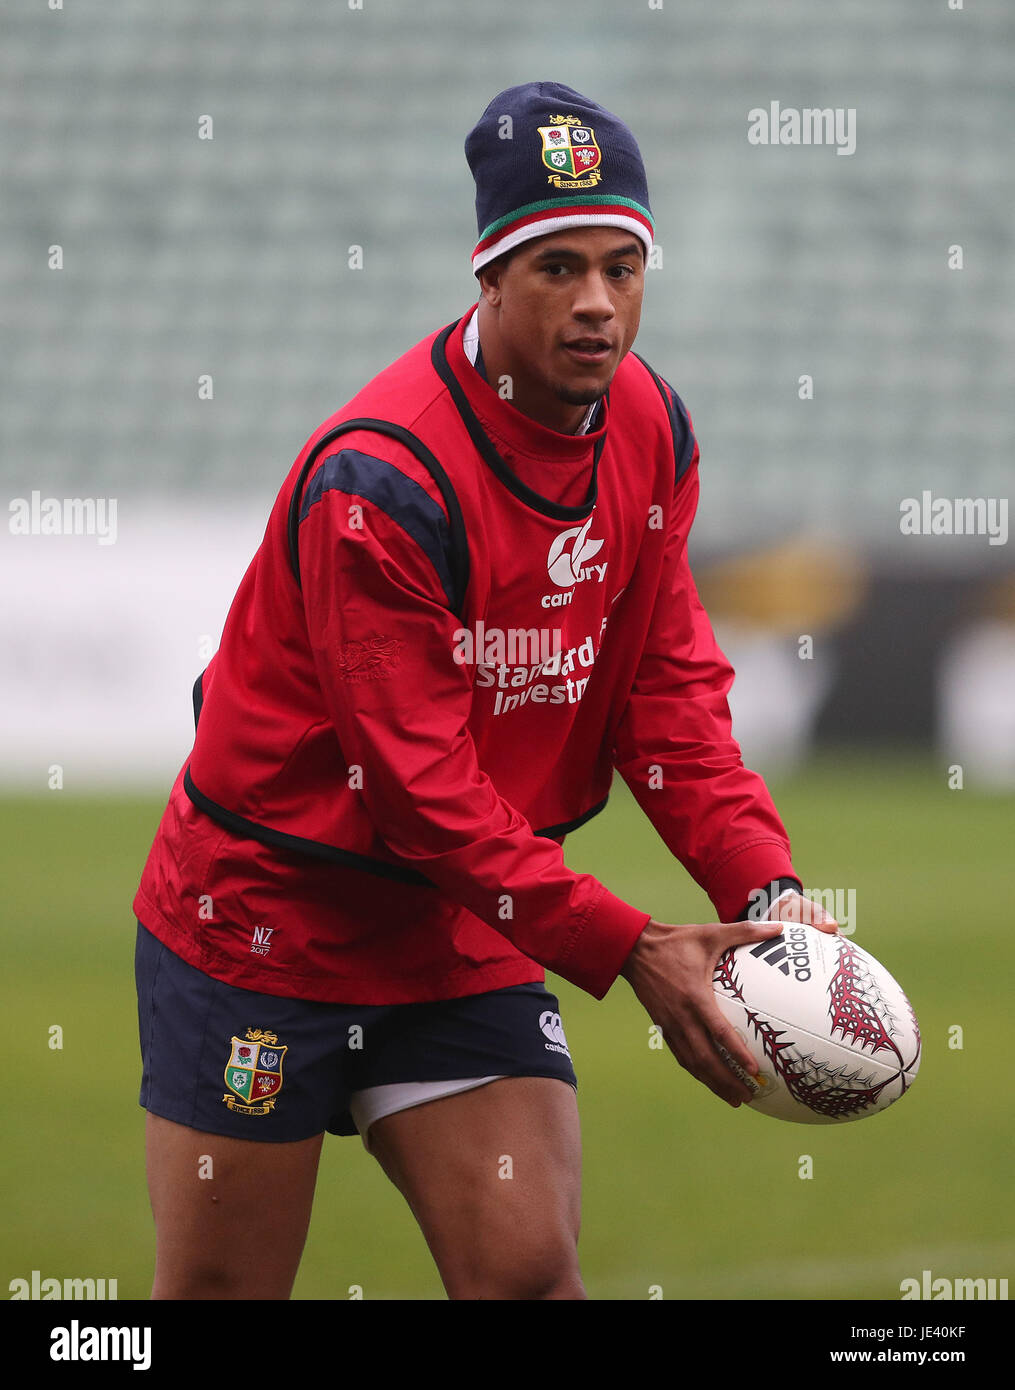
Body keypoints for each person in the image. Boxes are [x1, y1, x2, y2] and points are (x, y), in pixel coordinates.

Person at [133, 80, 837, 1302]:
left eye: (623, 266)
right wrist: (633, 947)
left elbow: (665, 697)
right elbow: (413, 791)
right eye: (558, 268)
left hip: (466, 923)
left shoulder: (650, 428)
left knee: (524, 1277)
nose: (598, 304)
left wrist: (763, 886)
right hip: (266, 923)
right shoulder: (384, 478)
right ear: (489, 277)